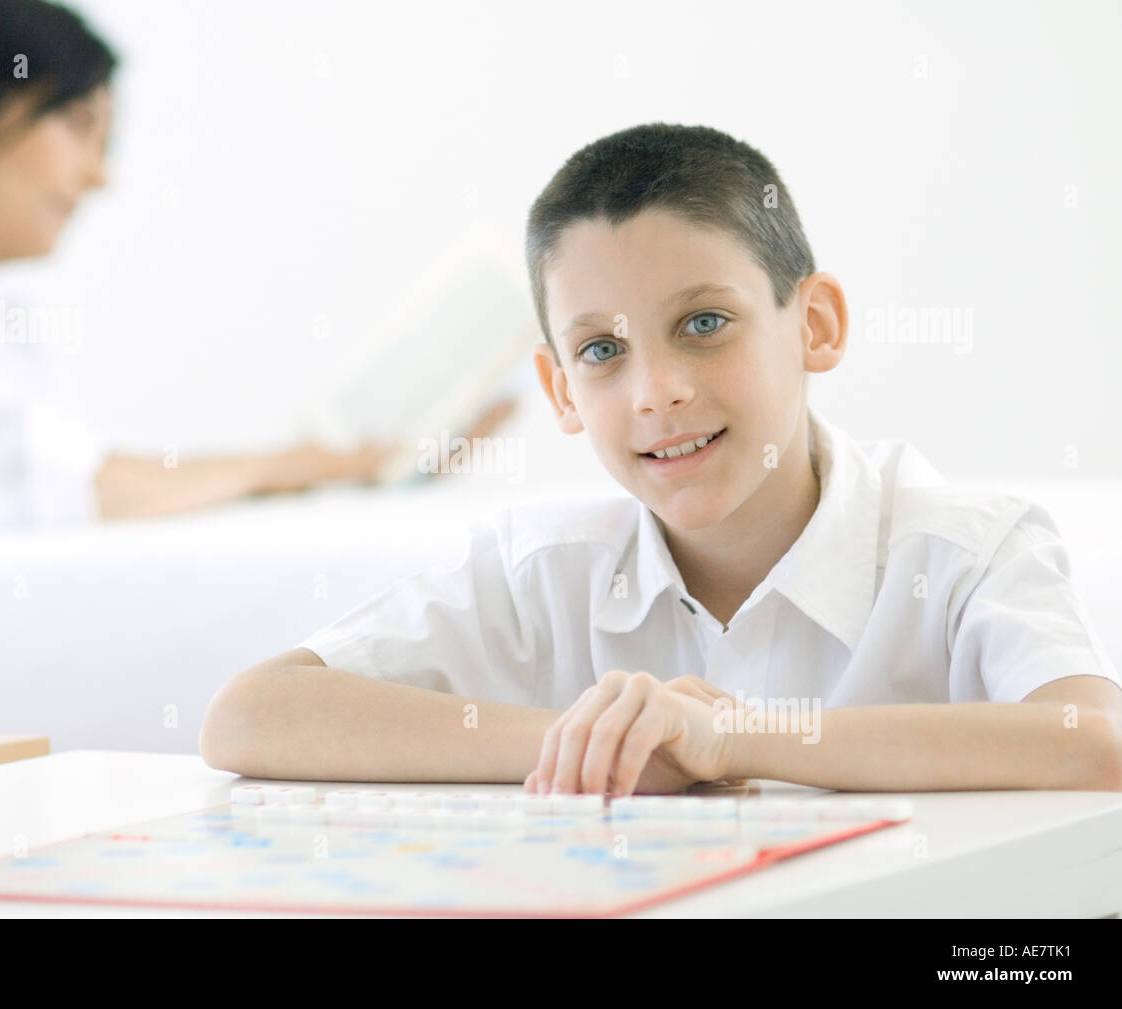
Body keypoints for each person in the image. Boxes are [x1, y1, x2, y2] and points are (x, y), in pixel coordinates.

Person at [200, 123, 1122, 794]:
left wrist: (737, 736)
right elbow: (250, 714)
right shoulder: (538, 573)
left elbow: (1095, 742)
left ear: (815, 324)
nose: (655, 392)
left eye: (704, 324)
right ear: (560, 389)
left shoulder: (963, 548)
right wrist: (601, 741)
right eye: (601, 350)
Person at [0, 0, 503, 552]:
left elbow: (82, 501)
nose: (97, 176)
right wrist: (309, 465)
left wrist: (356, 476)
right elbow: (51, 499)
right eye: (78, 126)